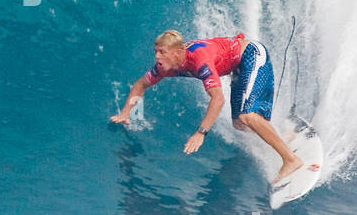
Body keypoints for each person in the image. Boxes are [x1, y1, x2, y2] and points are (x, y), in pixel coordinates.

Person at [110, 29, 303, 183]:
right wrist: (126, 113)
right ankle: (282, 136)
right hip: (237, 66)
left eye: (162, 52)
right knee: (240, 123)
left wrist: (201, 133)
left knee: (248, 116)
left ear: (178, 53)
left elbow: (217, 99)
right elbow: (140, 85)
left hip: (251, 54)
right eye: (156, 52)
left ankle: (291, 160)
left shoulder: (199, 60)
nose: (157, 57)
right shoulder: (166, 67)